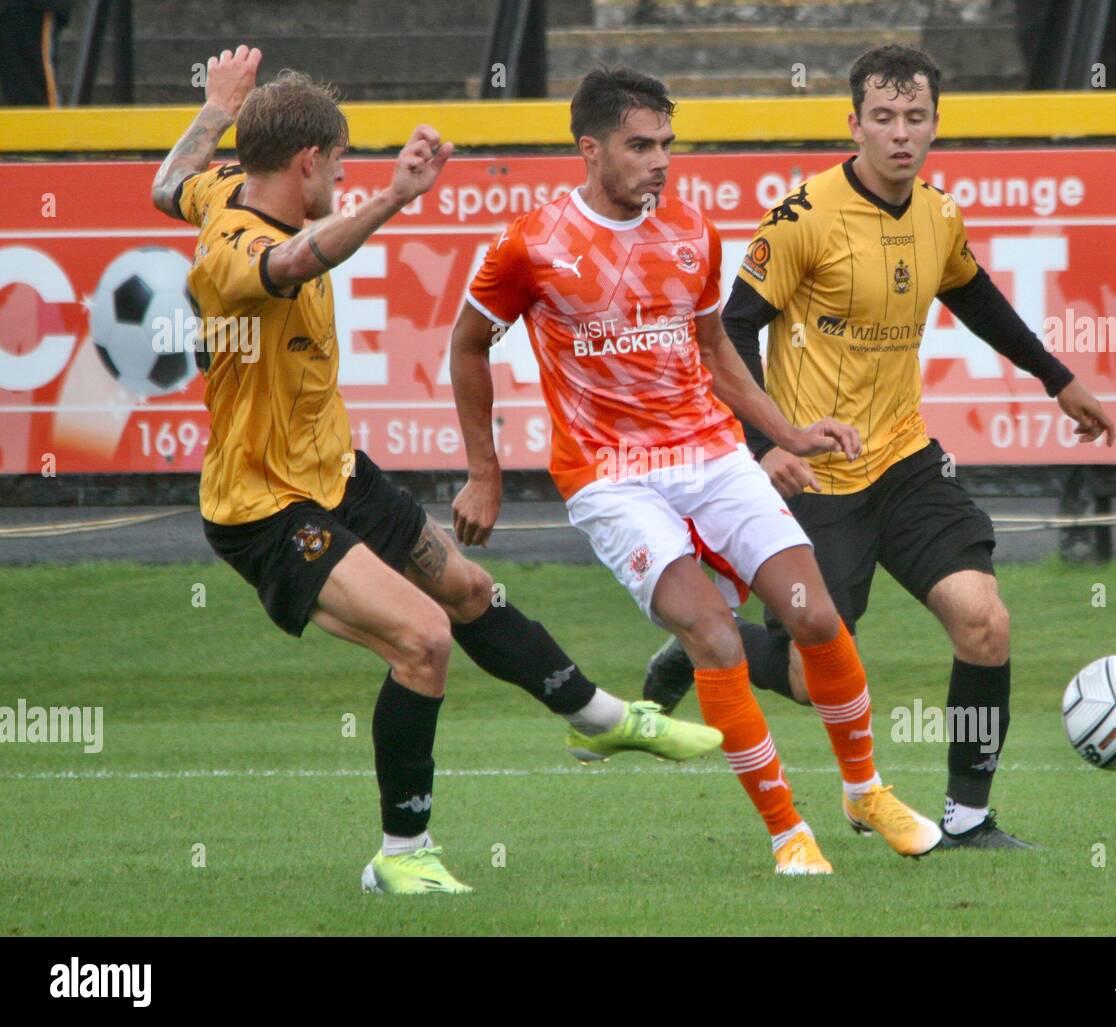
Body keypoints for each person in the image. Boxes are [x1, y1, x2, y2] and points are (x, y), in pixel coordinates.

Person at [150, 46, 721, 896]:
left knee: (468, 592)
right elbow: (296, 262)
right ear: (308, 162)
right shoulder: (233, 246)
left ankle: (602, 719)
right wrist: (394, 196)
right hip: (264, 503)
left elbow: (167, 184)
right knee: (422, 639)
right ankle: (401, 852)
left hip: (335, 471)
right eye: (339, 166)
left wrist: (218, 108)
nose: (343, 179)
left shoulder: (223, 185)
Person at [450, 66, 941, 876]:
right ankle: (789, 833)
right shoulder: (530, 245)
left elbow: (715, 352)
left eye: (666, 146)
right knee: (713, 634)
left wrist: (786, 432)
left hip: (711, 454)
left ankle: (865, 790)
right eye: (640, 146)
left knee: (816, 618)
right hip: (610, 474)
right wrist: (484, 471)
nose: (659, 162)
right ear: (590, 148)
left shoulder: (690, 230)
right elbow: (469, 344)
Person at [642, 43, 1116, 849]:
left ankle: (968, 817)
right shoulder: (803, 217)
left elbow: (976, 297)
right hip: (816, 477)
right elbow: (732, 330)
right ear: (853, 122)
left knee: (985, 621)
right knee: (807, 671)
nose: (901, 133)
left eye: (916, 117)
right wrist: (770, 444)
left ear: (936, 124)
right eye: (885, 118)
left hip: (903, 461)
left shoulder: (939, 215)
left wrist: (1057, 377)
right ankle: (712, 645)